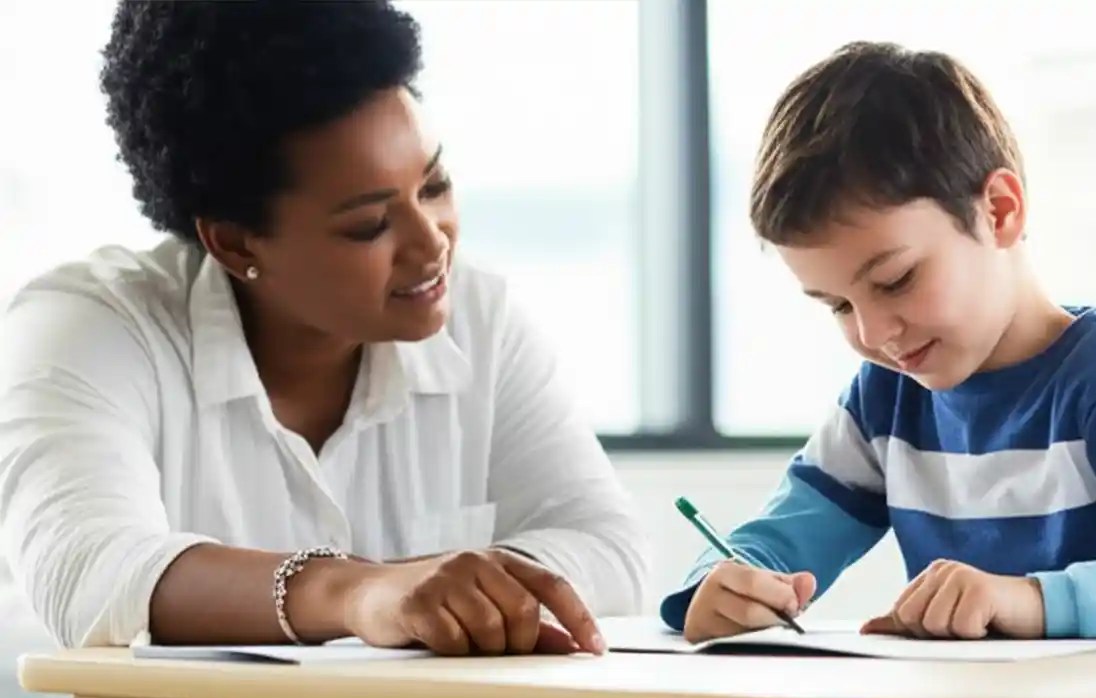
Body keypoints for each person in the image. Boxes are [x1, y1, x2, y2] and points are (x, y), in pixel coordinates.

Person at [0, 0, 647, 656]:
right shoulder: (86, 328)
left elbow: (608, 550)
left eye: (435, 186)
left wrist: (441, 590)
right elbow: (88, 573)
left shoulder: (482, 318)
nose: (432, 247)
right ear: (234, 243)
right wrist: (359, 592)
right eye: (369, 225)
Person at [662, 41, 1096, 642]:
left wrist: (1032, 600)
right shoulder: (886, 400)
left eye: (896, 280)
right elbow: (772, 544)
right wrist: (720, 584)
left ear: (1000, 212)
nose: (874, 334)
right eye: (838, 306)